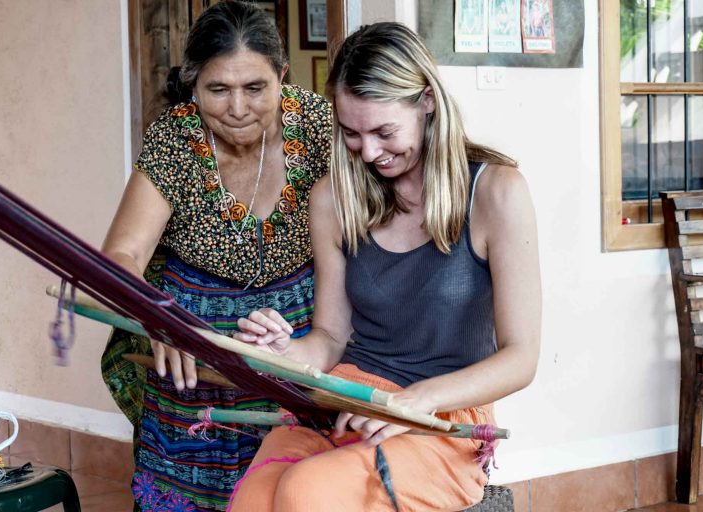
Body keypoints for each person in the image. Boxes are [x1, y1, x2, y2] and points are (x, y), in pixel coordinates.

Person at [229, 21, 541, 512]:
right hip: (350, 405)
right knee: (256, 497)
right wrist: (285, 350)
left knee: (305, 492)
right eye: (352, 133)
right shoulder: (333, 198)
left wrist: (416, 402)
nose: (369, 152)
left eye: (384, 131)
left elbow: (521, 357)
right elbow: (330, 338)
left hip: (441, 421)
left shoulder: (497, 193)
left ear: (427, 101)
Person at [99, 1, 332, 510]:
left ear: (282, 75)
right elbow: (122, 252)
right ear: (192, 84)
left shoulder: (319, 126)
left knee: (288, 491)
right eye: (217, 90)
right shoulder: (176, 138)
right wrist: (158, 317)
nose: (238, 108)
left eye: (256, 88)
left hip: (289, 354)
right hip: (190, 354)